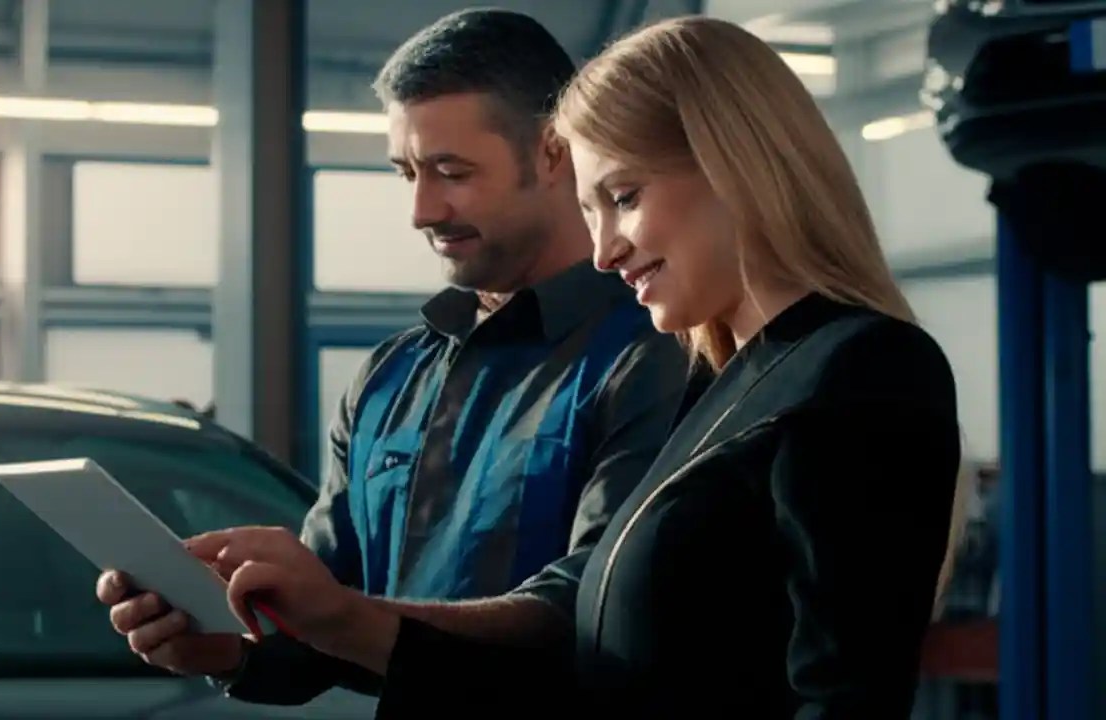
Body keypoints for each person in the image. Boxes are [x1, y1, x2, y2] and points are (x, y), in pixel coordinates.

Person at [197, 15, 971, 718]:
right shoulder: (725, 383)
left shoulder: (861, 369)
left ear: (734, 162)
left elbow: (846, 702)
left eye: (624, 196)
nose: (605, 250)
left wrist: (353, 620)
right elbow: (600, 684)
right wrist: (272, 636)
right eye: (593, 207)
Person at [96, 8, 701, 707]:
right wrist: (227, 647)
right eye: (406, 171)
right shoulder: (390, 378)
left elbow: (594, 615)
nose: (421, 209)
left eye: (450, 171)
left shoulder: (657, 355)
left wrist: (341, 616)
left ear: (554, 152)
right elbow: (320, 625)